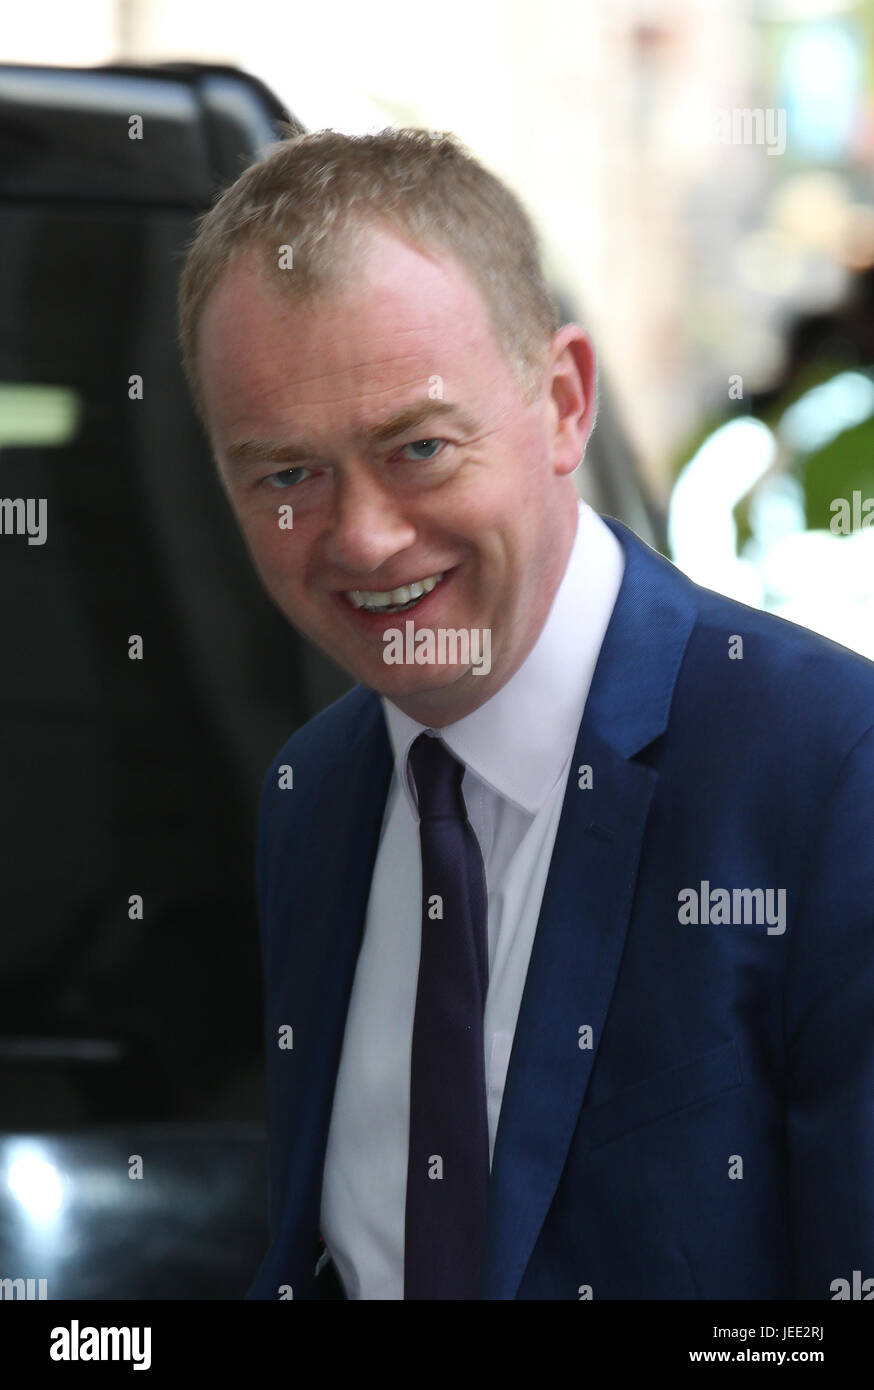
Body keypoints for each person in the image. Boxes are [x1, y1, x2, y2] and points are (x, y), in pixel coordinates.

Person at [177, 127, 874, 1301]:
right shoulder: (316, 791)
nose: (363, 536)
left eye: (418, 448)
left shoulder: (827, 772)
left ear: (563, 402)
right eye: (285, 474)